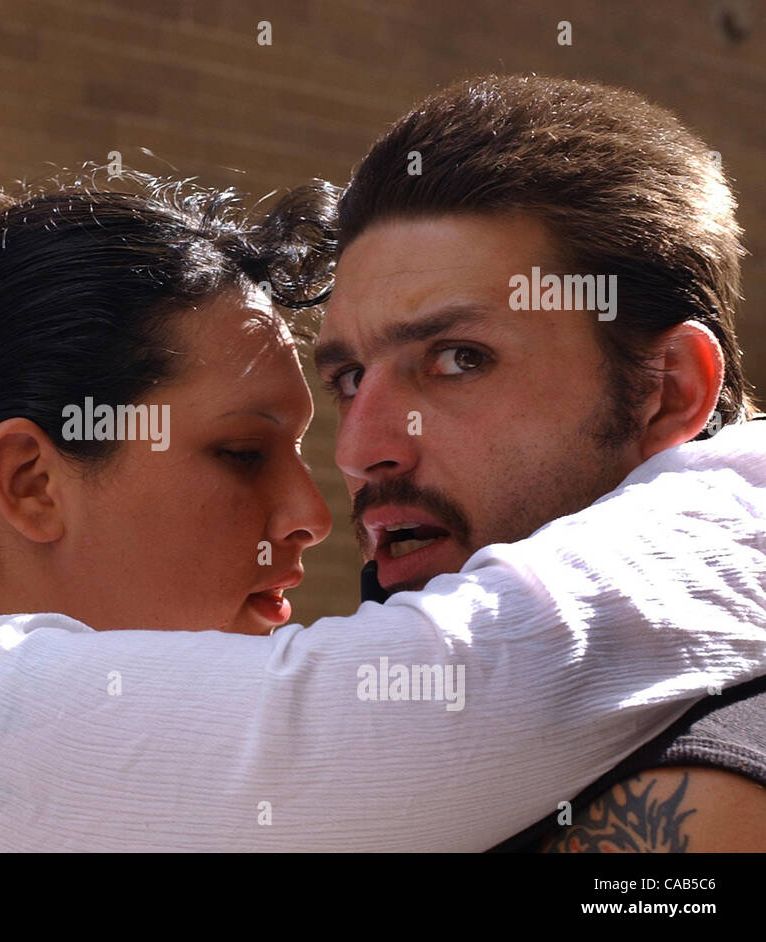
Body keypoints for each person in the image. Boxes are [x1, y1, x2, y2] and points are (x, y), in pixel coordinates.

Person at [0, 173, 766, 852]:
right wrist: (739, 481)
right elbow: (491, 688)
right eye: (241, 452)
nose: (309, 507)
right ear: (30, 482)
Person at [307, 74, 766, 851]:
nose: (359, 450)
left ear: (668, 391)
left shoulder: (705, 794)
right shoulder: (365, 708)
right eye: (350, 378)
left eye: (458, 358)